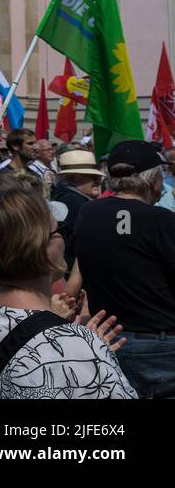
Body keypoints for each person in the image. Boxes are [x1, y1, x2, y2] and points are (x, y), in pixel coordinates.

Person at [0, 174, 134, 398]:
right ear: (40, 247)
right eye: (59, 231)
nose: (64, 239)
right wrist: (93, 357)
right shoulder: (77, 348)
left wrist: (88, 352)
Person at [68, 140, 175, 397]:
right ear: (153, 180)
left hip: (108, 339)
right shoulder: (162, 220)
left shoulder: (87, 212)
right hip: (160, 346)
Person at [50, 148, 103, 270]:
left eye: (98, 177)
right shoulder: (75, 202)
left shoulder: (65, 196)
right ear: (74, 179)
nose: (98, 182)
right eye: (93, 177)